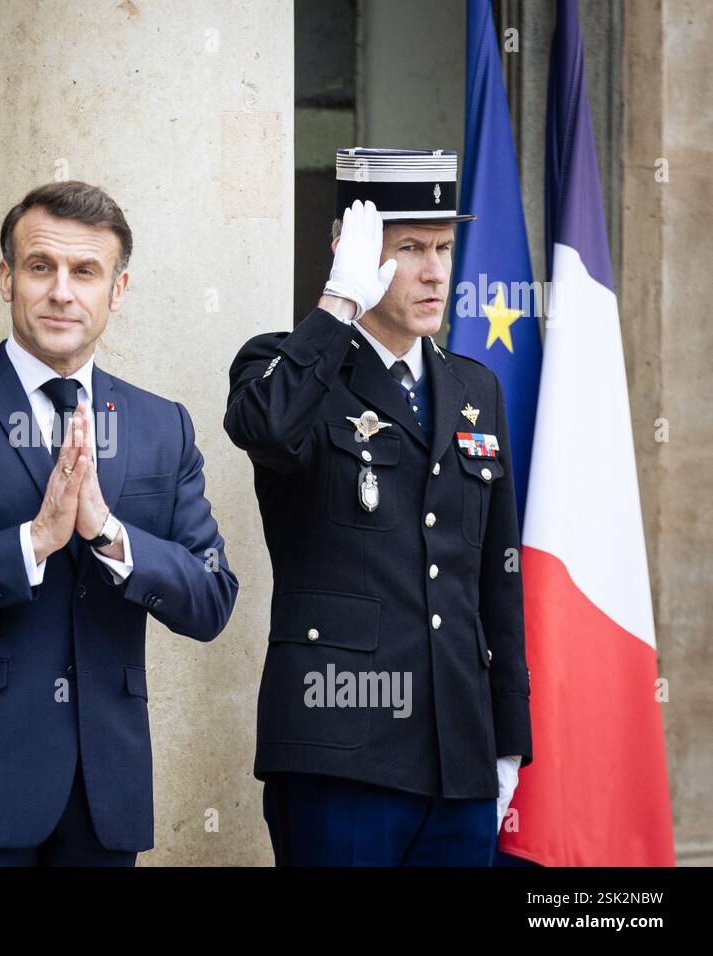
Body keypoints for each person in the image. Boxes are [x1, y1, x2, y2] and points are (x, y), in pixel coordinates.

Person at [0, 179, 239, 866]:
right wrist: (30, 544)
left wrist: (108, 535)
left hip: (104, 799)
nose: (62, 291)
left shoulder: (161, 426)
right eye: (41, 267)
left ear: (117, 290)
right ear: (7, 278)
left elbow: (210, 600)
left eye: (85, 272)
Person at [224, 148, 532, 866]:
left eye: (445, 249)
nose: (434, 271)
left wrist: (509, 737)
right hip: (340, 746)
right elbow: (266, 428)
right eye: (409, 249)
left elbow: (498, 576)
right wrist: (339, 302)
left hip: (459, 754)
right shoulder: (287, 366)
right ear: (355, 254)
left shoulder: (473, 388)